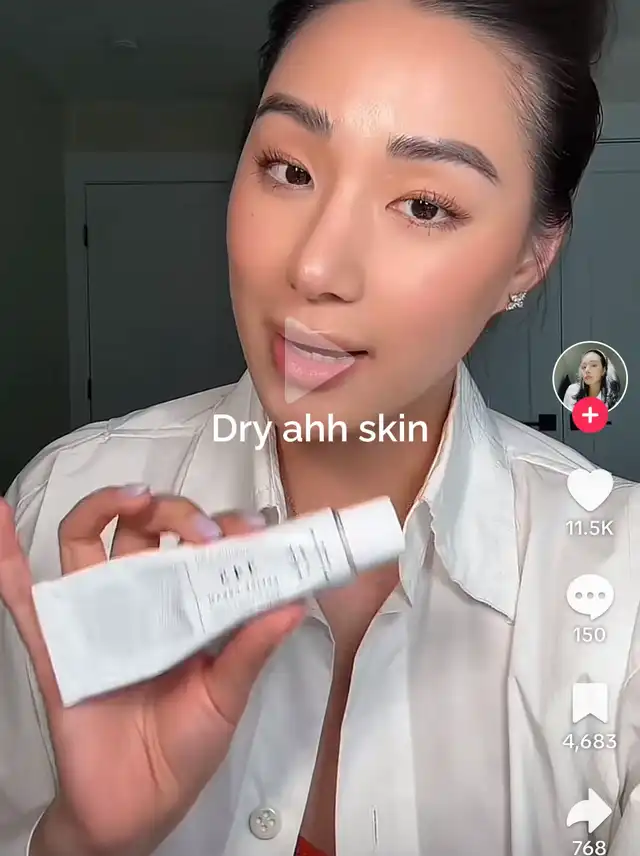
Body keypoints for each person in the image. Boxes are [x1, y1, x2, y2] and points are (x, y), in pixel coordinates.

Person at [0, 1, 638, 855]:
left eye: (424, 205)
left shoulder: (622, 588)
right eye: (289, 169)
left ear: (531, 256)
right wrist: (80, 840)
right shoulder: (67, 512)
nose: (313, 266)